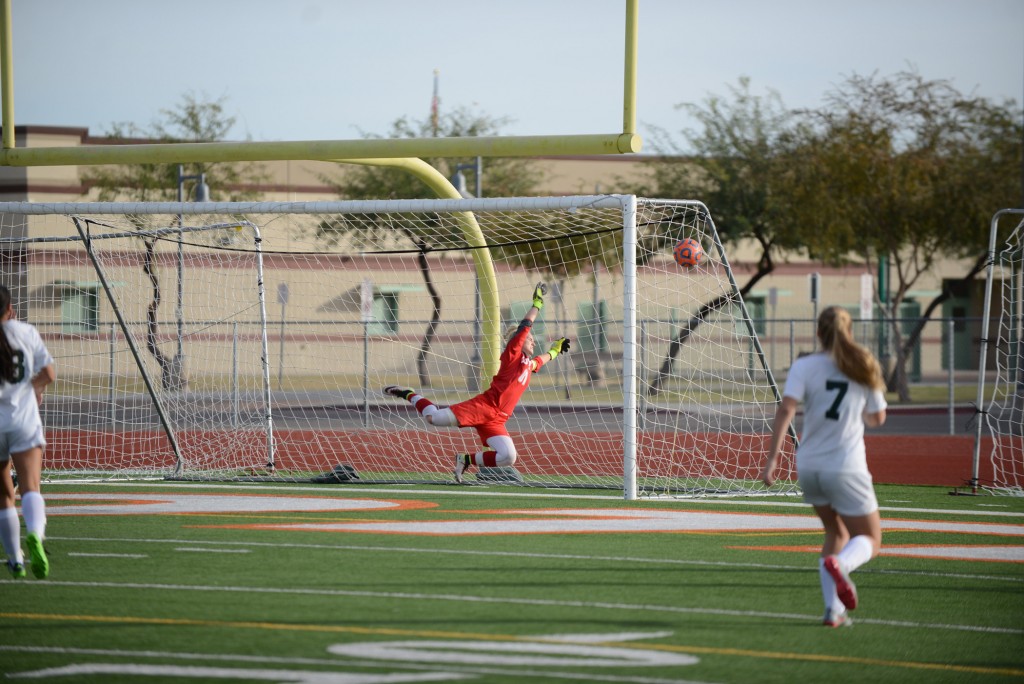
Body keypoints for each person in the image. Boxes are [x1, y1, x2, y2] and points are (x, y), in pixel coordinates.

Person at [760, 306, 887, 628]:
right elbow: (877, 418)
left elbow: (786, 409)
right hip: (846, 465)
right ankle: (842, 565)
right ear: (849, 331)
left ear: (818, 333)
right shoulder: (863, 363)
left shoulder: (805, 365)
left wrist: (773, 458)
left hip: (809, 465)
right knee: (871, 539)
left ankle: (833, 611)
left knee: (835, 531)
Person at [384, 282, 570, 483]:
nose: (533, 341)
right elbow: (525, 325)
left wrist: (555, 351)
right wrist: (537, 303)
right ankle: (409, 394)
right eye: (529, 339)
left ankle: (465, 459)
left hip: (497, 419)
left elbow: (541, 360)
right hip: (484, 407)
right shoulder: (513, 354)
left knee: (508, 456)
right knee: (434, 419)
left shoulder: (527, 364)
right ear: (518, 340)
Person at [0, 284, 55, 579]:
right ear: (10, 309)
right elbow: (48, 374)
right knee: (30, 486)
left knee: (3, 496)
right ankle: (35, 534)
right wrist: (31, 388)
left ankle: (15, 560)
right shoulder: (26, 332)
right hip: (23, 420)